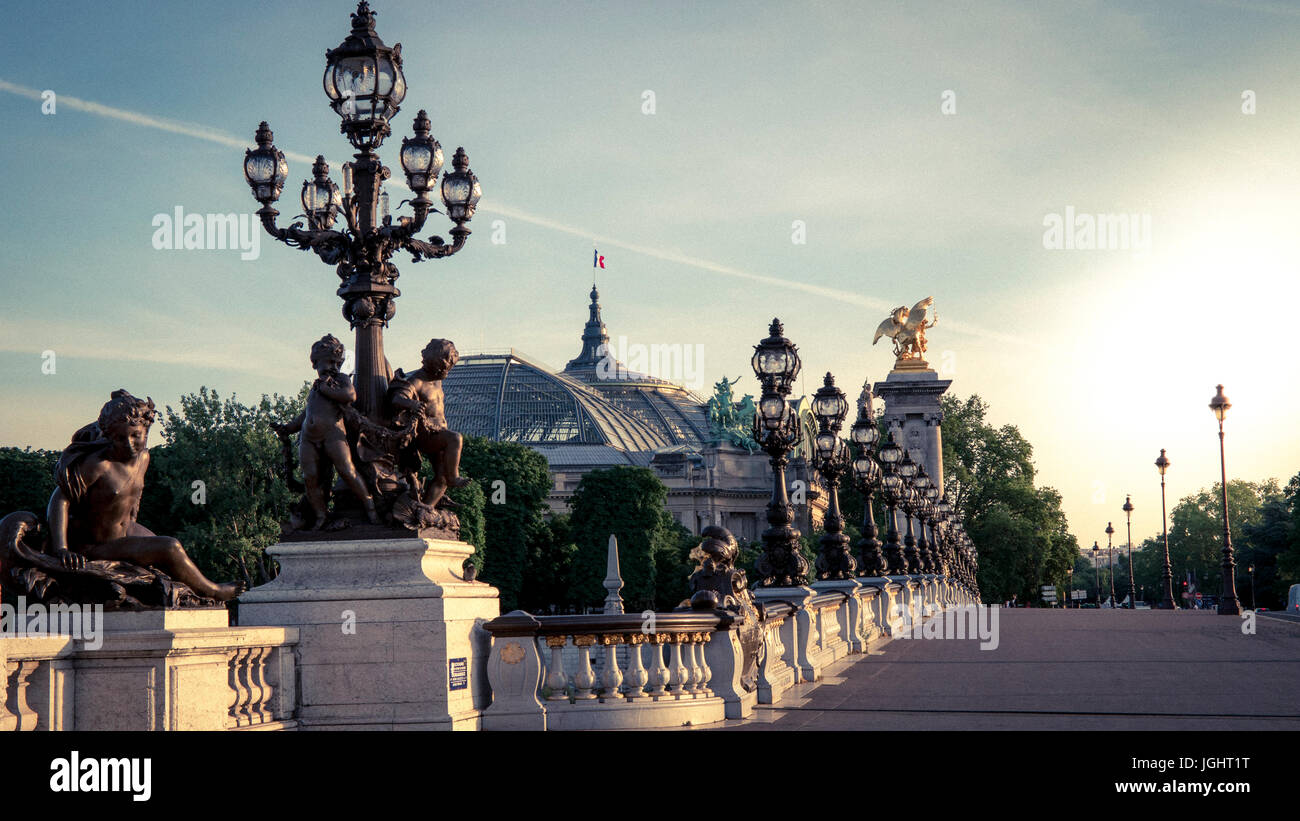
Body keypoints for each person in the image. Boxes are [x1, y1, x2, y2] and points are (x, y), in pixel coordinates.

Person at [46, 390, 244, 601]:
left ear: (146, 430)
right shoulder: (98, 465)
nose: (129, 444)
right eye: (120, 438)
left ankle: (185, 593)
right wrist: (62, 549)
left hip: (126, 532)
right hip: (97, 545)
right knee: (170, 547)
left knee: (172, 559)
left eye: (135, 436)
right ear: (109, 436)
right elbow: (59, 500)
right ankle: (212, 591)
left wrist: (132, 520)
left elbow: (135, 494)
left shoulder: (144, 458)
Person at [276, 334, 379, 528]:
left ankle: (371, 508)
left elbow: (350, 395)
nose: (332, 366)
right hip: (308, 438)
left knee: (347, 471)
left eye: (336, 362)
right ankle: (321, 516)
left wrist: (326, 389)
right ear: (315, 363)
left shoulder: (338, 379)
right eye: (328, 362)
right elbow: (306, 414)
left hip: (333, 434)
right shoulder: (315, 387)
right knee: (310, 478)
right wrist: (287, 428)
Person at [387, 338, 470, 511]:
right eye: (444, 369)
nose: (446, 373)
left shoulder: (437, 380)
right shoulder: (416, 381)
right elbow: (396, 399)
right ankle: (454, 477)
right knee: (455, 438)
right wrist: (412, 404)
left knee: (441, 478)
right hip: (425, 434)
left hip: (440, 432)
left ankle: (424, 510)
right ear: (434, 364)